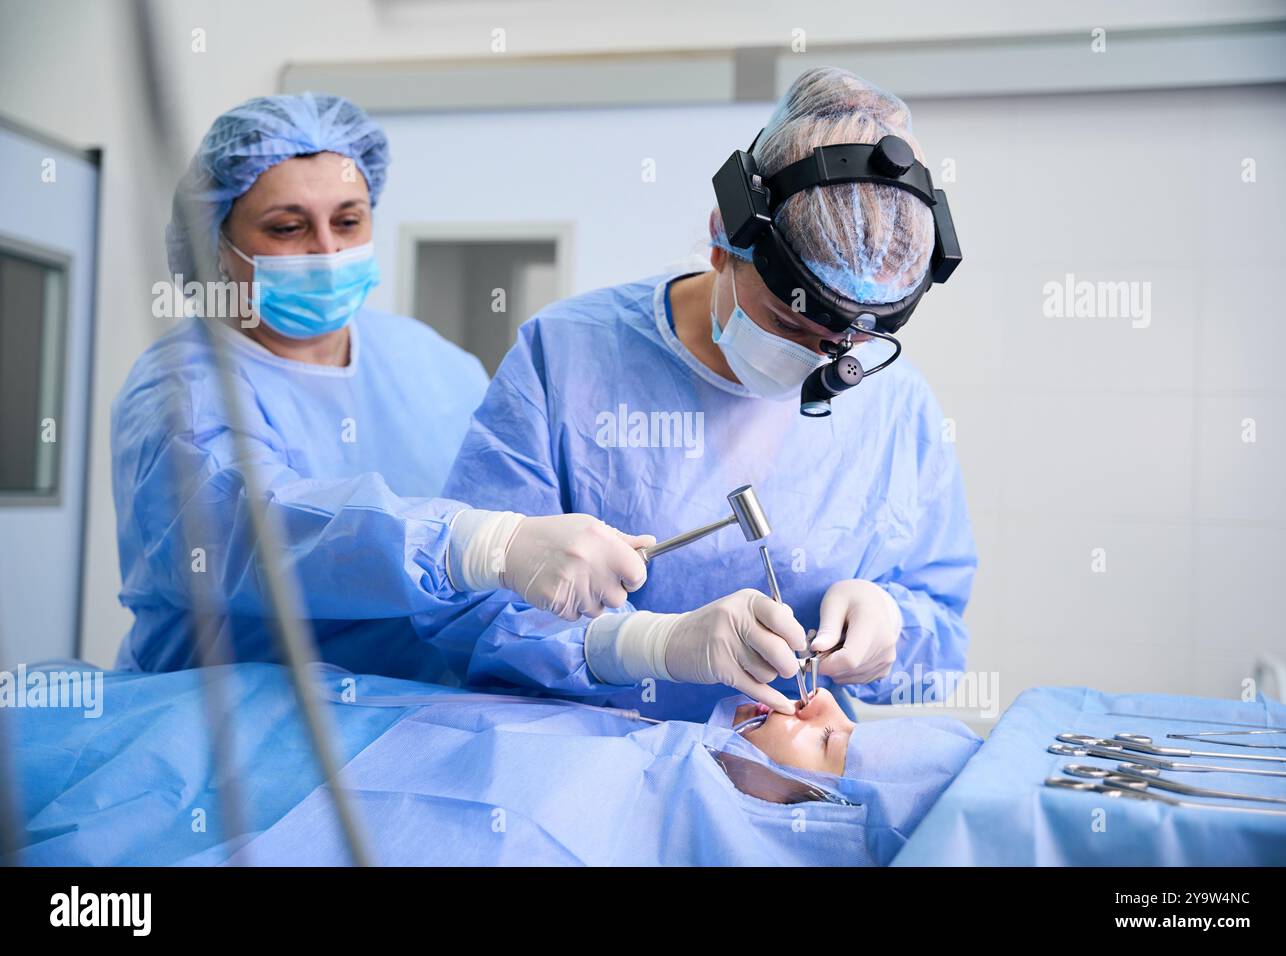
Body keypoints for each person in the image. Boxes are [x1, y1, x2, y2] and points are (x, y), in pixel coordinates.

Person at [436, 67, 975, 720]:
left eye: (845, 347)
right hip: (581, 773)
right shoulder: (569, 356)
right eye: (788, 324)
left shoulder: (895, 406)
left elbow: (940, 639)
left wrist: (893, 629)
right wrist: (638, 646)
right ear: (726, 238)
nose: (816, 364)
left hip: (773, 791)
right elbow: (469, 608)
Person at [112, 92, 652, 677]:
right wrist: (476, 544)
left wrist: (637, 644)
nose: (326, 250)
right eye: (288, 227)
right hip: (234, 729)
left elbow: (509, 567)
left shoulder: (432, 361)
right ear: (213, 244)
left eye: (348, 221)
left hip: (417, 714)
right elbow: (252, 532)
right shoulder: (180, 391)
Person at [11, 662, 981, 866]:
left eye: (830, 737)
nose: (816, 698)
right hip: (268, 717)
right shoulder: (665, 753)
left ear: (811, 817)